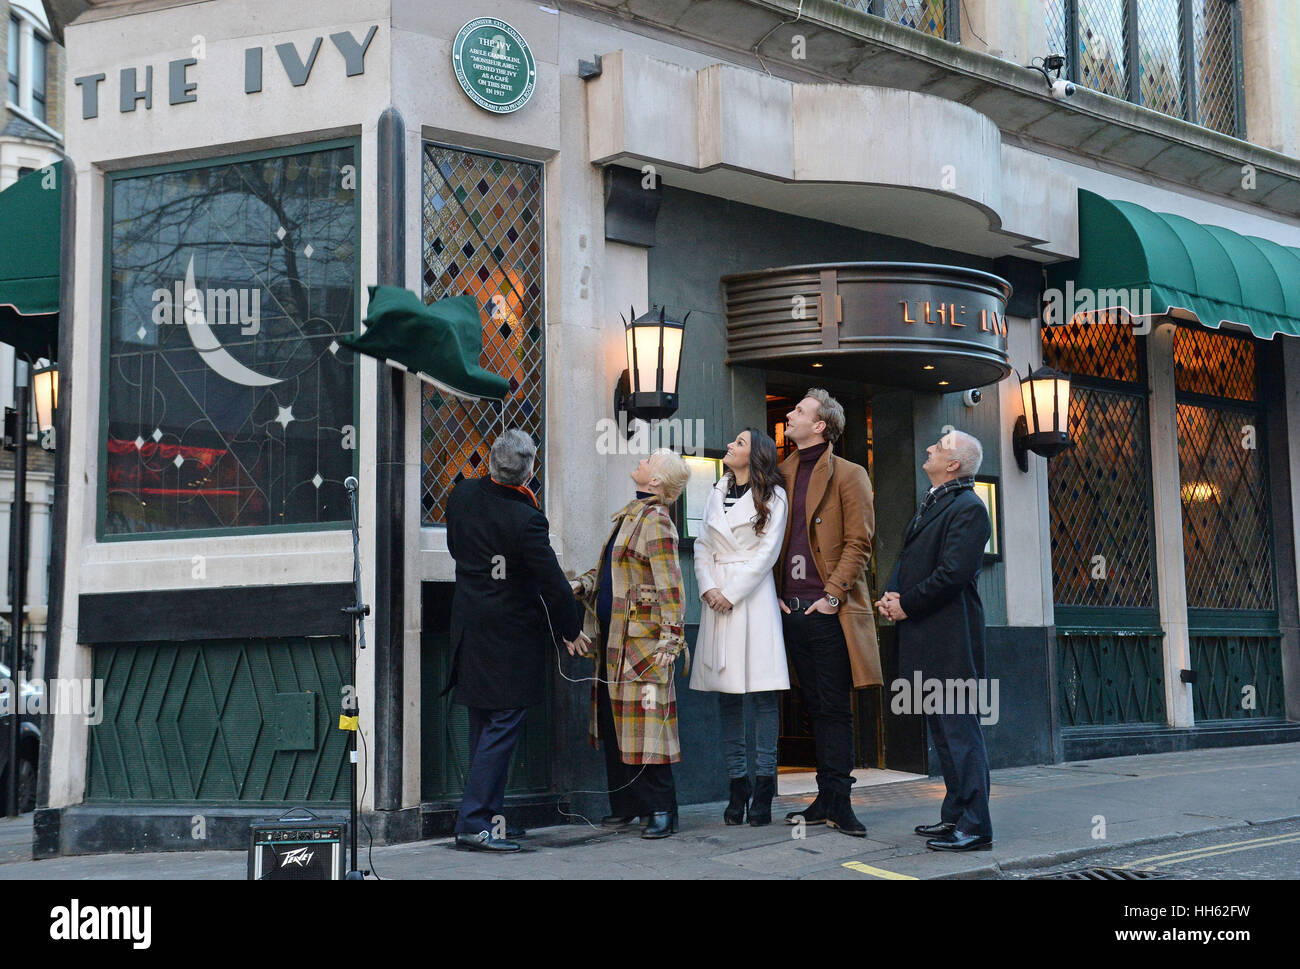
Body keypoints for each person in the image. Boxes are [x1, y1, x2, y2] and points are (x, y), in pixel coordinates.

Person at [444, 429, 585, 853]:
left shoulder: (461, 495)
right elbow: (554, 584)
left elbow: (455, 548)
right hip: (509, 635)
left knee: (484, 725)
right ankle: (474, 822)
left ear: (491, 461)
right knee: (502, 724)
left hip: (469, 626)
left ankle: (490, 818)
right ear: (529, 471)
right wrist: (571, 629)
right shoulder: (526, 519)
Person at [875, 429, 993, 852]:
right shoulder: (935, 501)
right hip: (925, 638)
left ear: (953, 464)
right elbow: (909, 559)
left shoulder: (970, 507)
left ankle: (976, 827)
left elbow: (953, 574)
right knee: (943, 736)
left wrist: (906, 604)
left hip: (950, 642)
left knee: (961, 736)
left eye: (939, 447)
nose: (929, 448)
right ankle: (955, 816)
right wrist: (891, 596)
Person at [774, 389, 880, 837]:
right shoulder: (779, 473)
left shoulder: (850, 474)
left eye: (799, 410)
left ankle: (840, 800)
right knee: (812, 707)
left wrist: (832, 596)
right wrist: (774, 593)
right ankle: (824, 798)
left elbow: (860, 543)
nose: (789, 414)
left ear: (820, 425)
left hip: (828, 611)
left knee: (834, 708)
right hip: (787, 610)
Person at [572, 447, 691, 839]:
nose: (640, 461)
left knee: (647, 726)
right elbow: (609, 573)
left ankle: (662, 810)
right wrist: (581, 585)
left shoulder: (656, 521)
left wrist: (671, 639)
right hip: (613, 639)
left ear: (655, 481)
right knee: (614, 724)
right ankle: (626, 806)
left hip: (642, 644)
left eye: (648, 461)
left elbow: (670, 585)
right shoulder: (630, 515)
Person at [690, 428, 790, 826]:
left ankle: (764, 784)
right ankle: (737, 783)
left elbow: (768, 553)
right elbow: (702, 544)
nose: (730, 445)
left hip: (753, 598)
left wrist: (730, 593)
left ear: (756, 455)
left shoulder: (774, 496)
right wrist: (709, 588)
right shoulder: (716, 491)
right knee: (726, 695)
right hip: (717, 597)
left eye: (740, 443)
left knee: (763, 695)